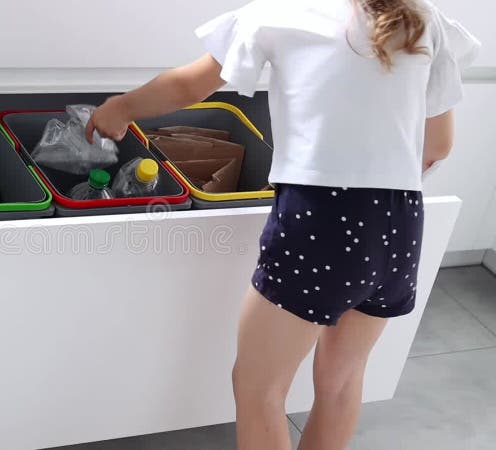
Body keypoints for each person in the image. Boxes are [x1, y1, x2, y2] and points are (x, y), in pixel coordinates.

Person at [85, 0, 480, 449]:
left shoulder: (279, 11)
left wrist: (119, 109)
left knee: (260, 390)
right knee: (342, 381)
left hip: (323, 219)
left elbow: (188, 86)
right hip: (401, 223)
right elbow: (439, 146)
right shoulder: (423, 16)